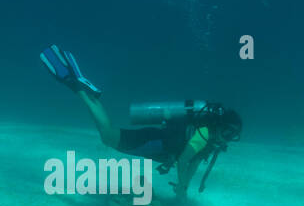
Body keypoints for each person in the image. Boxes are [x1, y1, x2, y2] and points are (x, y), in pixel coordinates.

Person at [40, 44, 241, 197]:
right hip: (152, 142)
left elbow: (194, 163)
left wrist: (184, 187)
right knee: (108, 136)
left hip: (157, 141)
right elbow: (184, 160)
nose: (227, 138)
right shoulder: (204, 134)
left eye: (232, 136)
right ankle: (78, 87)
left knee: (108, 135)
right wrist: (182, 186)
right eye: (228, 133)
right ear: (219, 125)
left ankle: (81, 87)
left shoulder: (209, 141)